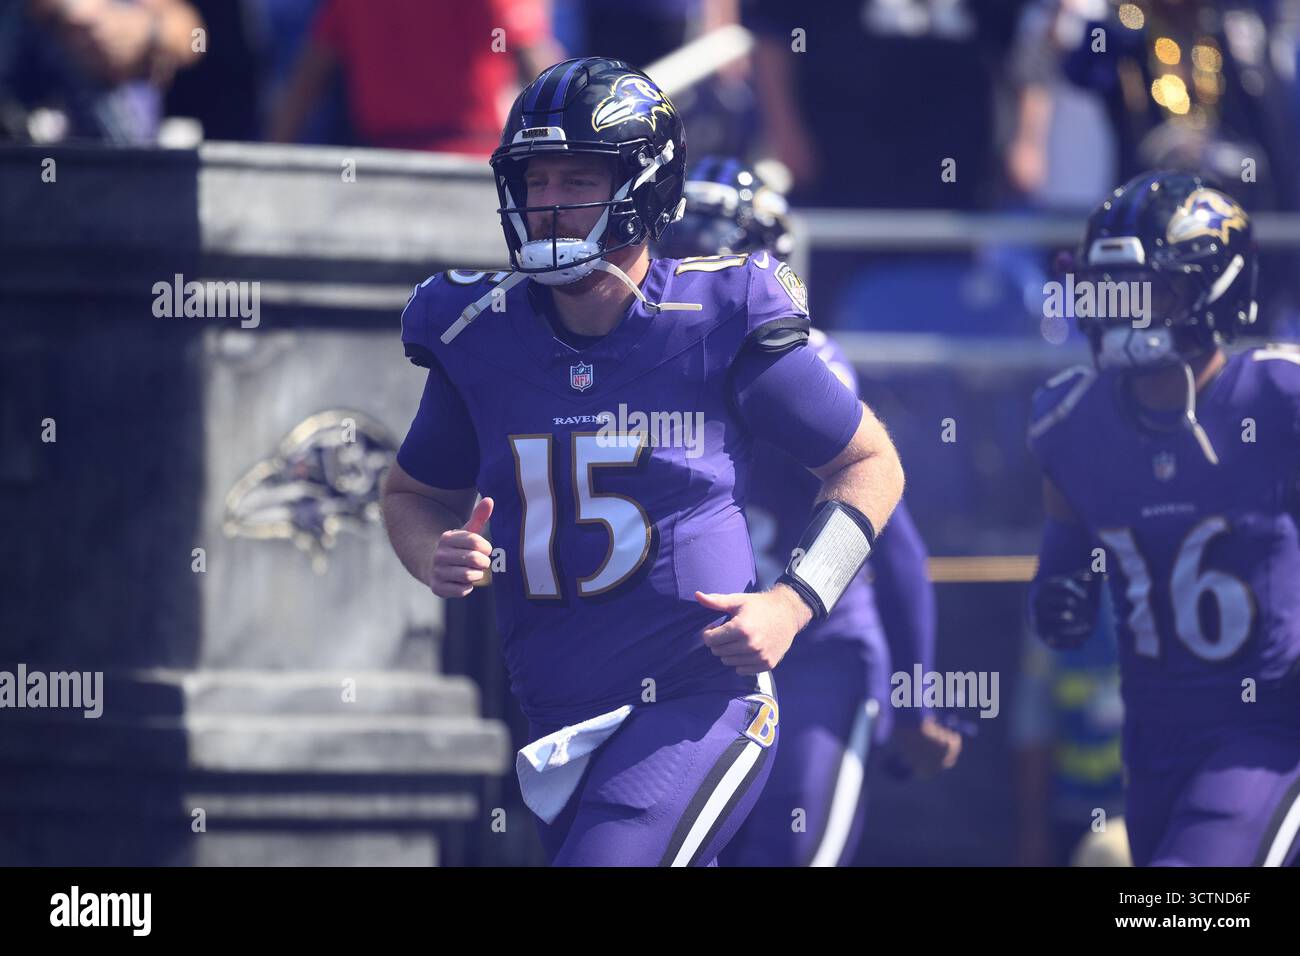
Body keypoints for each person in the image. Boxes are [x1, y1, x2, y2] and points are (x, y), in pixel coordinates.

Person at [381, 57, 905, 866]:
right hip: (557, 714)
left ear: (645, 186)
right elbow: (413, 492)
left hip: (698, 705)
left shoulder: (716, 317)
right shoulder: (477, 333)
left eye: (576, 179)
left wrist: (795, 602)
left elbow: (871, 463)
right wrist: (432, 551)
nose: (549, 204)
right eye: (536, 180)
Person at [657, 156, 959, 866]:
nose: (701, 275)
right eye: (685, 252)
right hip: (686, 660)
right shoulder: (632, 366)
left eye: (719, 255)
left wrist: (915, 701)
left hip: (813, 652)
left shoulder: (799, 364)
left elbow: (895, 541)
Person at [1028, 170, 1300, 866]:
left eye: (1147, 293)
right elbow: (1067, 541)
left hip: (1265, 729)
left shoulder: (1275, 399)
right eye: (1108, 293)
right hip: (1150, 735)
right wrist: (1063, 581)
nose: (1123, 314)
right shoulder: (1070, 420)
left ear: (1213, 290)